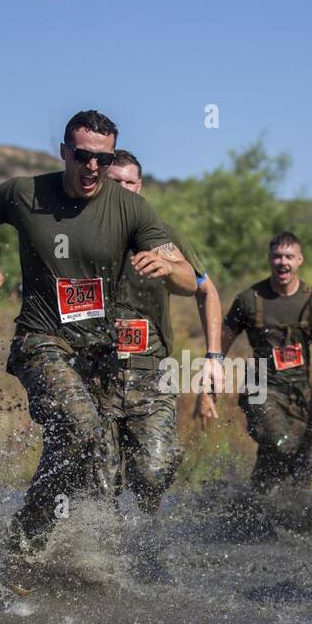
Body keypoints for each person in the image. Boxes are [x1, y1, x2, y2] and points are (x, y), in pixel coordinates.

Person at [0, 110, 195, 577]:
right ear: (64, 152)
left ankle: (45, 551)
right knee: (83, 432)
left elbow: (189, 277)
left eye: (102, 161)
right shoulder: (26, 193)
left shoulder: (130, 208)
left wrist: (170, 269)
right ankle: (23, 546)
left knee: (91, 458)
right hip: (41, 342)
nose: (91, 169)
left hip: (98, 357)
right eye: (82, 156)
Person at [102, 148, 223, 512]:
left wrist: (214, 358)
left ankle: (147, 543)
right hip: (94, 370)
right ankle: (99, 557)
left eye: (129, 182)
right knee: (100, 479)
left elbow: (205, 289)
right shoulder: (80, 230)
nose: (122, 189)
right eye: (114, 182)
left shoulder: (160, 233)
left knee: (153, 471)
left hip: (151, 368)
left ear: (138, 186)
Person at [205, 231, 312, 488]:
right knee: (282, 443)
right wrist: (206, 391)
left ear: (300, 260)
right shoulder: (249, 300)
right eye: (277, 256)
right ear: (269, 259)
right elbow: (217, 347)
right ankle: (255, 505)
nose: (282, 262)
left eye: (288, 256)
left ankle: (251, 505)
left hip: (299, 394)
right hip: (260, 387)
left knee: (298, 468)